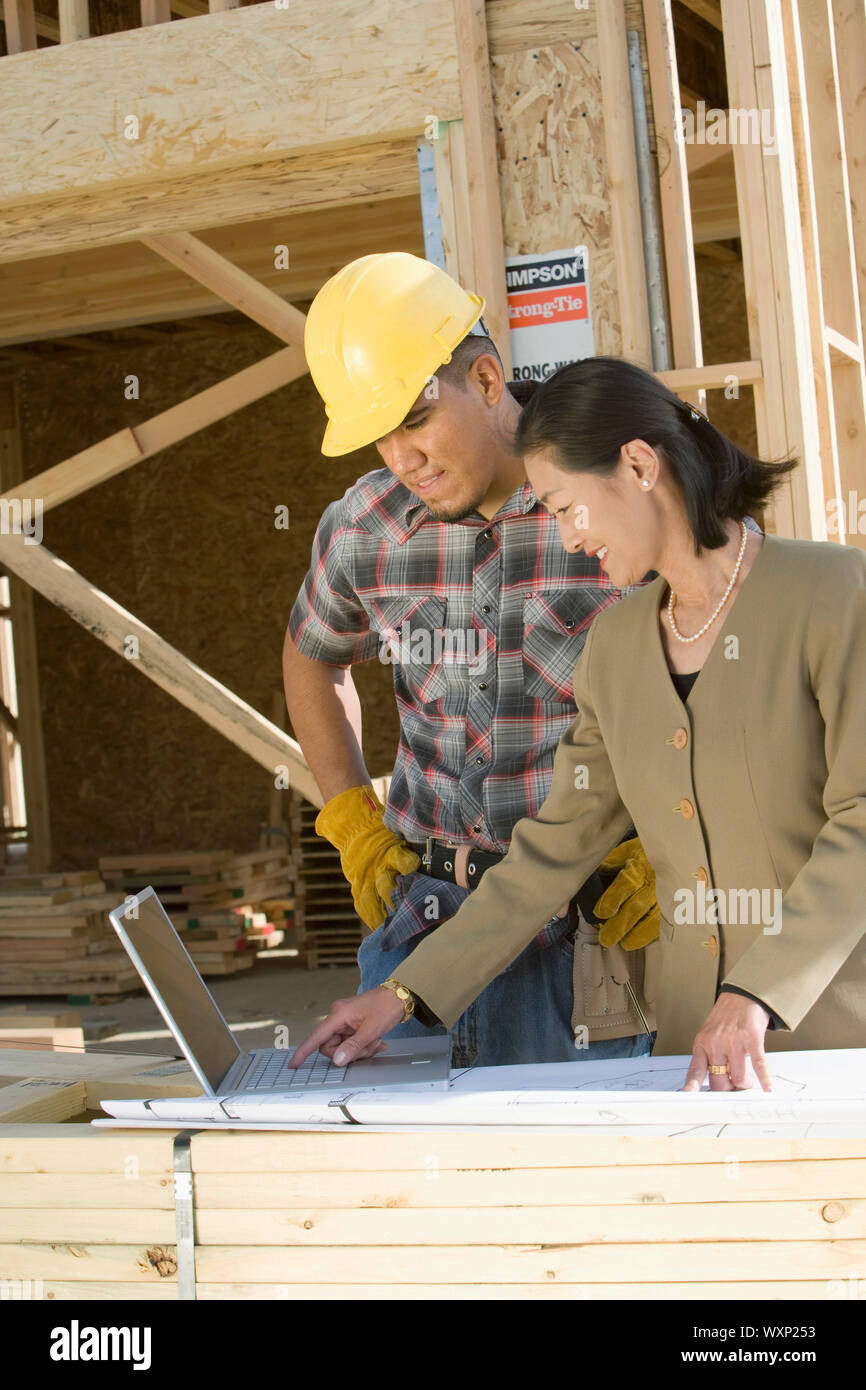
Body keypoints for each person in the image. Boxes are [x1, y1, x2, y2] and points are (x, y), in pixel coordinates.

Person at [290, 355, 866, 1094]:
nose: (564, 538)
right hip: (688, 1056)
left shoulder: (833, 595)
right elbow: (554, 848)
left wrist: (758, 991)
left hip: (835, 1047)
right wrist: (401, 992)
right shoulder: (618, 644)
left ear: (637, 465)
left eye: (565, 507)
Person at [284, 254, 659, 1068]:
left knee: (584, 1186)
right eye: (378, 435)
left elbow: (708, 687)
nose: (400, 458)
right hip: (423, 921)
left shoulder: (606, 507)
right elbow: (312, 660)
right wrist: (351, 820)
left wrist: (671, 846)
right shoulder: (365, 527)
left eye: (415, 420)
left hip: (593, 930)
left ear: (487, 379)